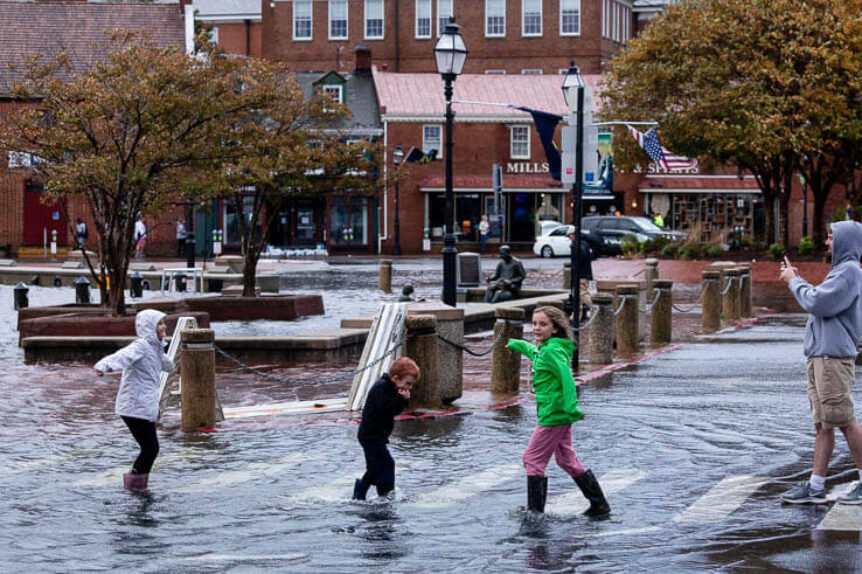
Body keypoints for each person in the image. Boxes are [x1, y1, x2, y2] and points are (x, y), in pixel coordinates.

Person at [779, 221, 862, 505]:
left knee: (845, 421)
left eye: (831, 237)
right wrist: (800, 282)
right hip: (821, 358)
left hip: (832, 359)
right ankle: (816, 486)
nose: (827, 242)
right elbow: (821, 299)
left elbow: (819, 303)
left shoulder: (849, 272)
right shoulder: (841, 272)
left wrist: (793, 280)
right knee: (824, 424)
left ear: (845, 242)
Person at [507, 306, 610, 516]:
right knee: (566, 460)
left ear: (555, 328)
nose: (536, 328)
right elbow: (533, 352)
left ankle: (535, 514)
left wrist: (572, 407)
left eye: (543, 324)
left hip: (554, 413)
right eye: (534, 323)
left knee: (532, 459)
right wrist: (516, 344)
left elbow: (567, 380)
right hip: (556, 412)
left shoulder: (552, 350)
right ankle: (599, 505)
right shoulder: (545, 347)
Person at [94, 309, 174, 493]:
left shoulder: (155, 348)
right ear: (149, 328)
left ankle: (137, 486)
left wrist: (174, 364)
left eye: (164, 322)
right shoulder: (141, 346)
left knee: (150, 448)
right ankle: (135, 487)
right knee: (150, 448)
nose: (164, 326)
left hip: (142, 406)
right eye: (160, 323)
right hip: (134, 406)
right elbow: (122, 356)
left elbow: (166, 363)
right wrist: (103, 367)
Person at [353, 357, 418, 501]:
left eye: (411, 385)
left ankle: (360, 492)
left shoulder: (392, 388)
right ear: (396, 378)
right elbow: (384, 407)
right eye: (408, 383)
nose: (409, 388)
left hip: (377, 435)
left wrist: (403, 400)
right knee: (387, 463)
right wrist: (401, 398)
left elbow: (394, 410)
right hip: (370, 435)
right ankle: (387, 494)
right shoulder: (381, 387)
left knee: (374, 467)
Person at [569, 230, 596, 321]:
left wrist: (576, 266)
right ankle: (575, 317)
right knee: (577, 296)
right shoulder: (585, 243)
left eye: (570, 235)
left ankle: (597, 307)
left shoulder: (576, 245)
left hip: (579, 275)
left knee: (582, 294)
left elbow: (581, 257)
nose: (569, 238)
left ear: (573, 235)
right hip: (585, 274)